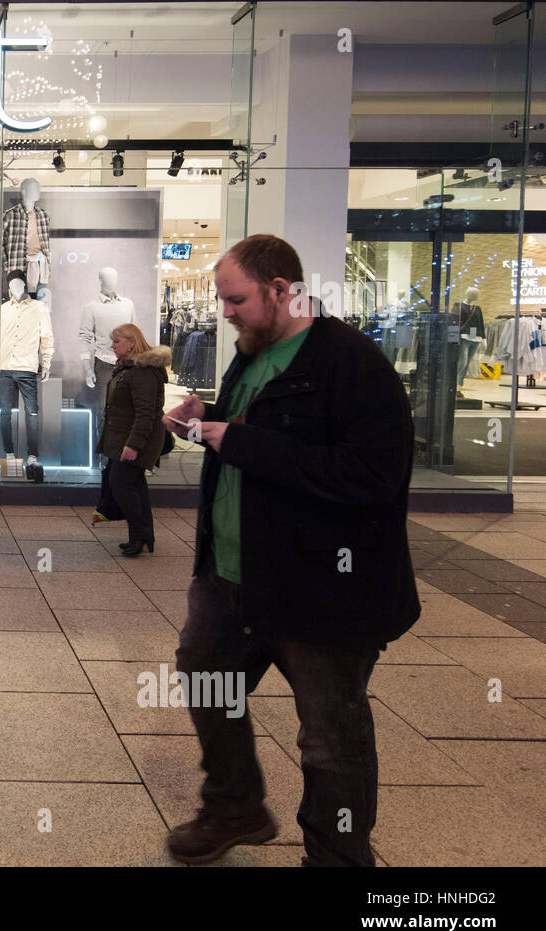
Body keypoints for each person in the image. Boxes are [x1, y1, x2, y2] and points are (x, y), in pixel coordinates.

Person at [161, 234, 420, 866]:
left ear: (282, 290)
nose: (224, 313)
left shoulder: (351, 365)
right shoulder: (253, 352)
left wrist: (237, 440)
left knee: (331, 740)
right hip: (229, 579)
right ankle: (235, 808)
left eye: (235, 299)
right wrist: (209, 417)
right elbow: (273, 428)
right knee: (208, 682)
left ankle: (336, 857)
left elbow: (371, 476)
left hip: (321, 588)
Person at [93, 323, 170, 556]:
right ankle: (143, 536)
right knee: (135, 485)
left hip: (135, 440)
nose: (112, 346)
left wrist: (133, 445)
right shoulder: (131, 368)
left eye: (117, 341)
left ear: (131, 342)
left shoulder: (141, 372)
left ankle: (139, 535)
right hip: (124, 438)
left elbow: (146, 414)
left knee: (122, 484)